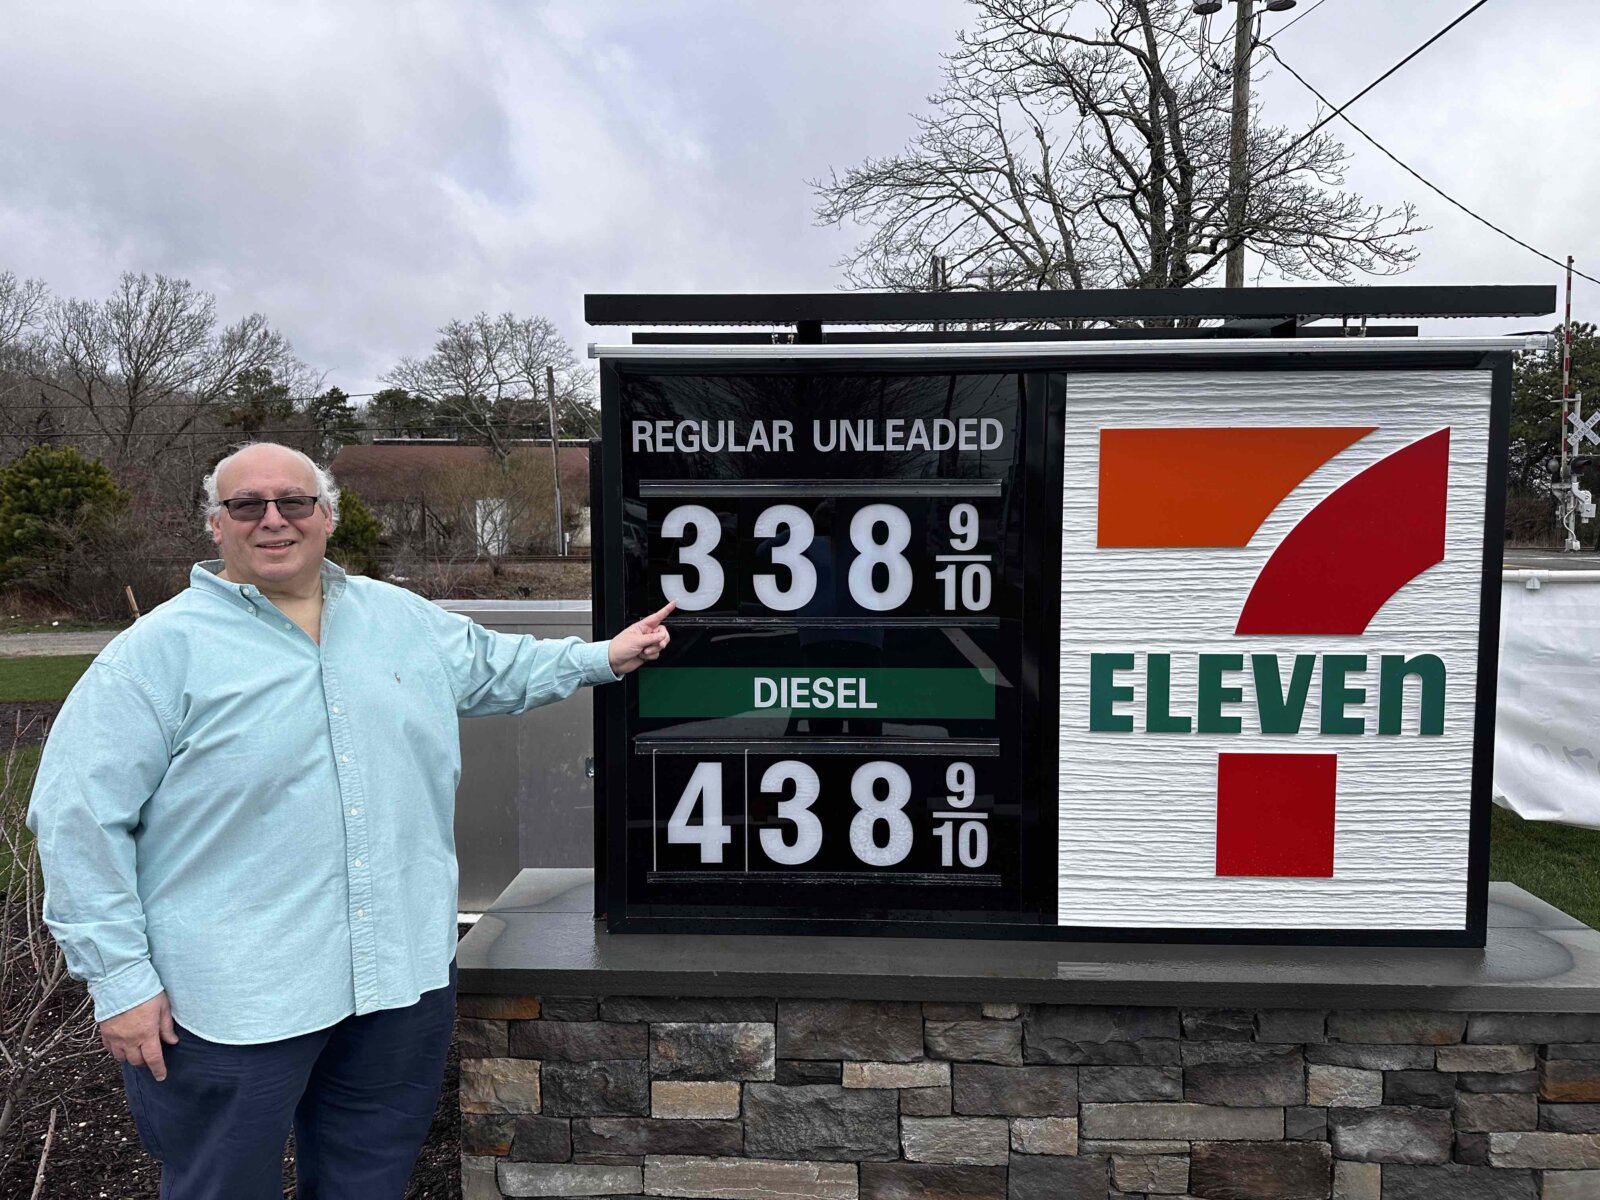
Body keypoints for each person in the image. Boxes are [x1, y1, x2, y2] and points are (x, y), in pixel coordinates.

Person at [26, 441, 671, 1199]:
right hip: (232, 1004)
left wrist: (608, 656)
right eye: (247, 506)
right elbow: (77, 821)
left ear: (326, 515)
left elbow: (503, 668)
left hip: (399, 986)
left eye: (294, 502)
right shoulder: (154, 657)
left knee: (368, 1180)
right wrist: (121, 982)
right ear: (215, 523)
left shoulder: (400, 621)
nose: (274, 520)